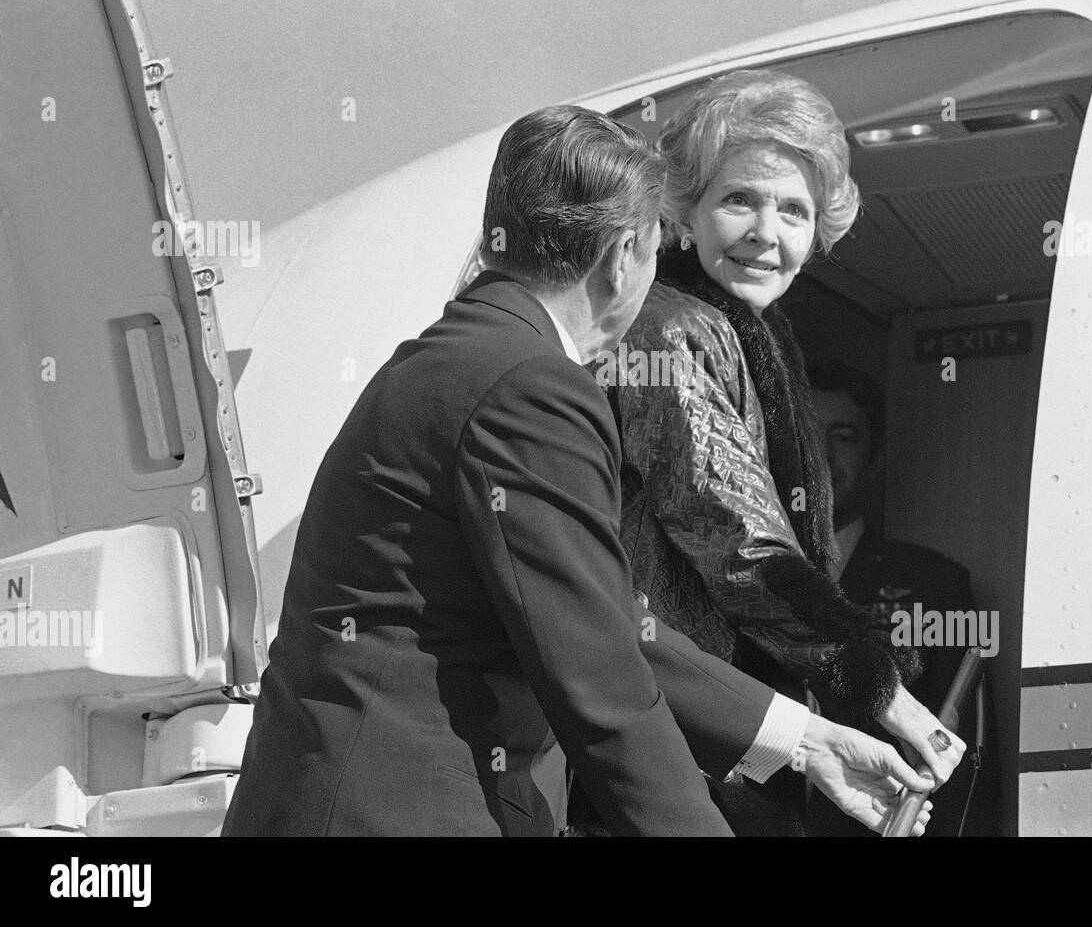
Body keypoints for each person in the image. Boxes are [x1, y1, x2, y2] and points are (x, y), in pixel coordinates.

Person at [223, 104, 937, 837]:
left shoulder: (455, 359)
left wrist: (808, 742)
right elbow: (599, 679)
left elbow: (611, 625)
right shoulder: (532, 385)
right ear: (625, 254)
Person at [603, 70, 963, 835]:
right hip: (665, 734)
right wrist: (879, 689)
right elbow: (736, 545)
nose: (768, 232)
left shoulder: (749, 334)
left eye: (793, 210)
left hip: (722, 737)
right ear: (685, 211)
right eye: (740, 200)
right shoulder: (670, 328)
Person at [805, 360, 999, 836]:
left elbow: (965, 759)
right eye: (807, 435)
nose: (823, 455)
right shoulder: (740, 574)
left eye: (844, 437)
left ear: (875, 459)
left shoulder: (936, 584)